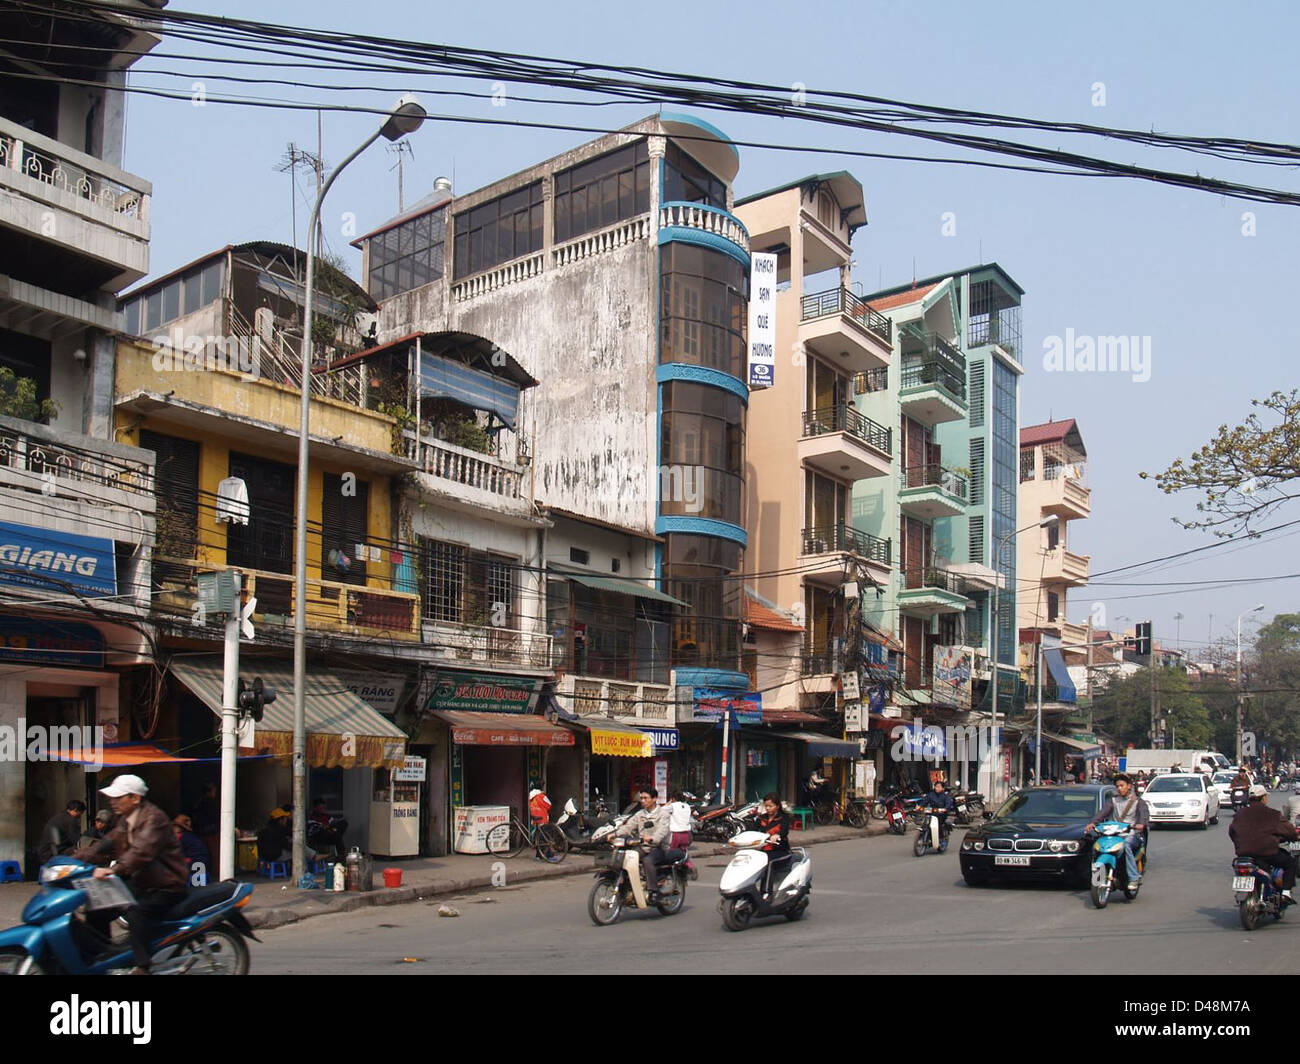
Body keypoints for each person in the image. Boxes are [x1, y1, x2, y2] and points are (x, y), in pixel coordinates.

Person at [72, 774, 188, 976]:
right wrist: (77, 858)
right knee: (97, 905)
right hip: (143, 880)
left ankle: (142, 966)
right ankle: (104, 956)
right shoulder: (127, 818)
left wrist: (113, 869)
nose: (113, 801)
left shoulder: (154, 818)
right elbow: (109, 841)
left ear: (135, 798)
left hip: (166, 884)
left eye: (118, 797)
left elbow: (142, 851)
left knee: (136, 911)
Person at [1231, 784, 1298, 896]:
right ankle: (1286, 893)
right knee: (1290, 863)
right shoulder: (1273, 814)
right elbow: (1289, 831)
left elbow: (1232, 833)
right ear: (1263, 798)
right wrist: (1294, 837)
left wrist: (1240, 844)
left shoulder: (1239, 814)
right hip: (1267, 853)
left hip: (1244, 855)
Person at [1084, 774, 1150, 886]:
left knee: (1126, 845)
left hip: (1131, 834)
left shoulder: (1138, 802)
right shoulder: (1113, 801)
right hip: (1113, 834)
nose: (1119, 788)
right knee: (1097, 846)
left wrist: (1140, 824)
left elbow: (1143, 815)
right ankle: (1096, 875)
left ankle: (1133, 877)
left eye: (1122, 785)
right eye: (1117, 786)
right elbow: (1103, 813)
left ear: (1129, 786)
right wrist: (1093, 822)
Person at [615, 787, 675, 901]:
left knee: (648, 861)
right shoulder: (639, 814)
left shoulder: (663, 814)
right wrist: (615, 834)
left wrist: (652, 838)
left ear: (654, 799)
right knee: (625, 857)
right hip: (643, 846)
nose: (642, 800)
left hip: (659, 847)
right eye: (641, 798)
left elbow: (662, 830)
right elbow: (628, 826)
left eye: (645, 798)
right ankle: (627, 885)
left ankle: (653, 891)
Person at [750, 793, 792, 894]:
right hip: (764, 851)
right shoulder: (761, 818)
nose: (768, 808)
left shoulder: (783, 818)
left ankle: (766, 892)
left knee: (769, 863)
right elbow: (752, 829)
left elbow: (784, 830)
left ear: (777, 806)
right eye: (766, 806)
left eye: (771, 806)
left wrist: (777, 835)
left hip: (780, 851)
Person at [38, 800, 87, 865]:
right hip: (55, 854)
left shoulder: (58, 817)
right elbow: (76, 840)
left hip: (45, 853)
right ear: (75, 810)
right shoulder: (71, 821)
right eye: (80, 813)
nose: (80, 816)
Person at [666, 791, 697, 879]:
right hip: (686, 834)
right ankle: (690, 866)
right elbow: (694, 814)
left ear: (673, 799)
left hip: (676, 834)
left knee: (672, 852)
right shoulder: (687, 806)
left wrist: (668, 803)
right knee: (683, 852)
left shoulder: (673, 806)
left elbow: (661, 810)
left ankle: (671, 872)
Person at [920, 778, 956, 852]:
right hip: (931, 813)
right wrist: (919, 807)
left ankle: (941, 839)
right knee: (925, 824)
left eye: (939, 787)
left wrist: (945, 809)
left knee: (939, 825)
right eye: (936, 786)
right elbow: (924, 802)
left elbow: (948, 804)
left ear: (943, 788)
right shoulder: (930, 795)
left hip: (941, 814)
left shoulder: (945, 796)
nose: (937, 788)